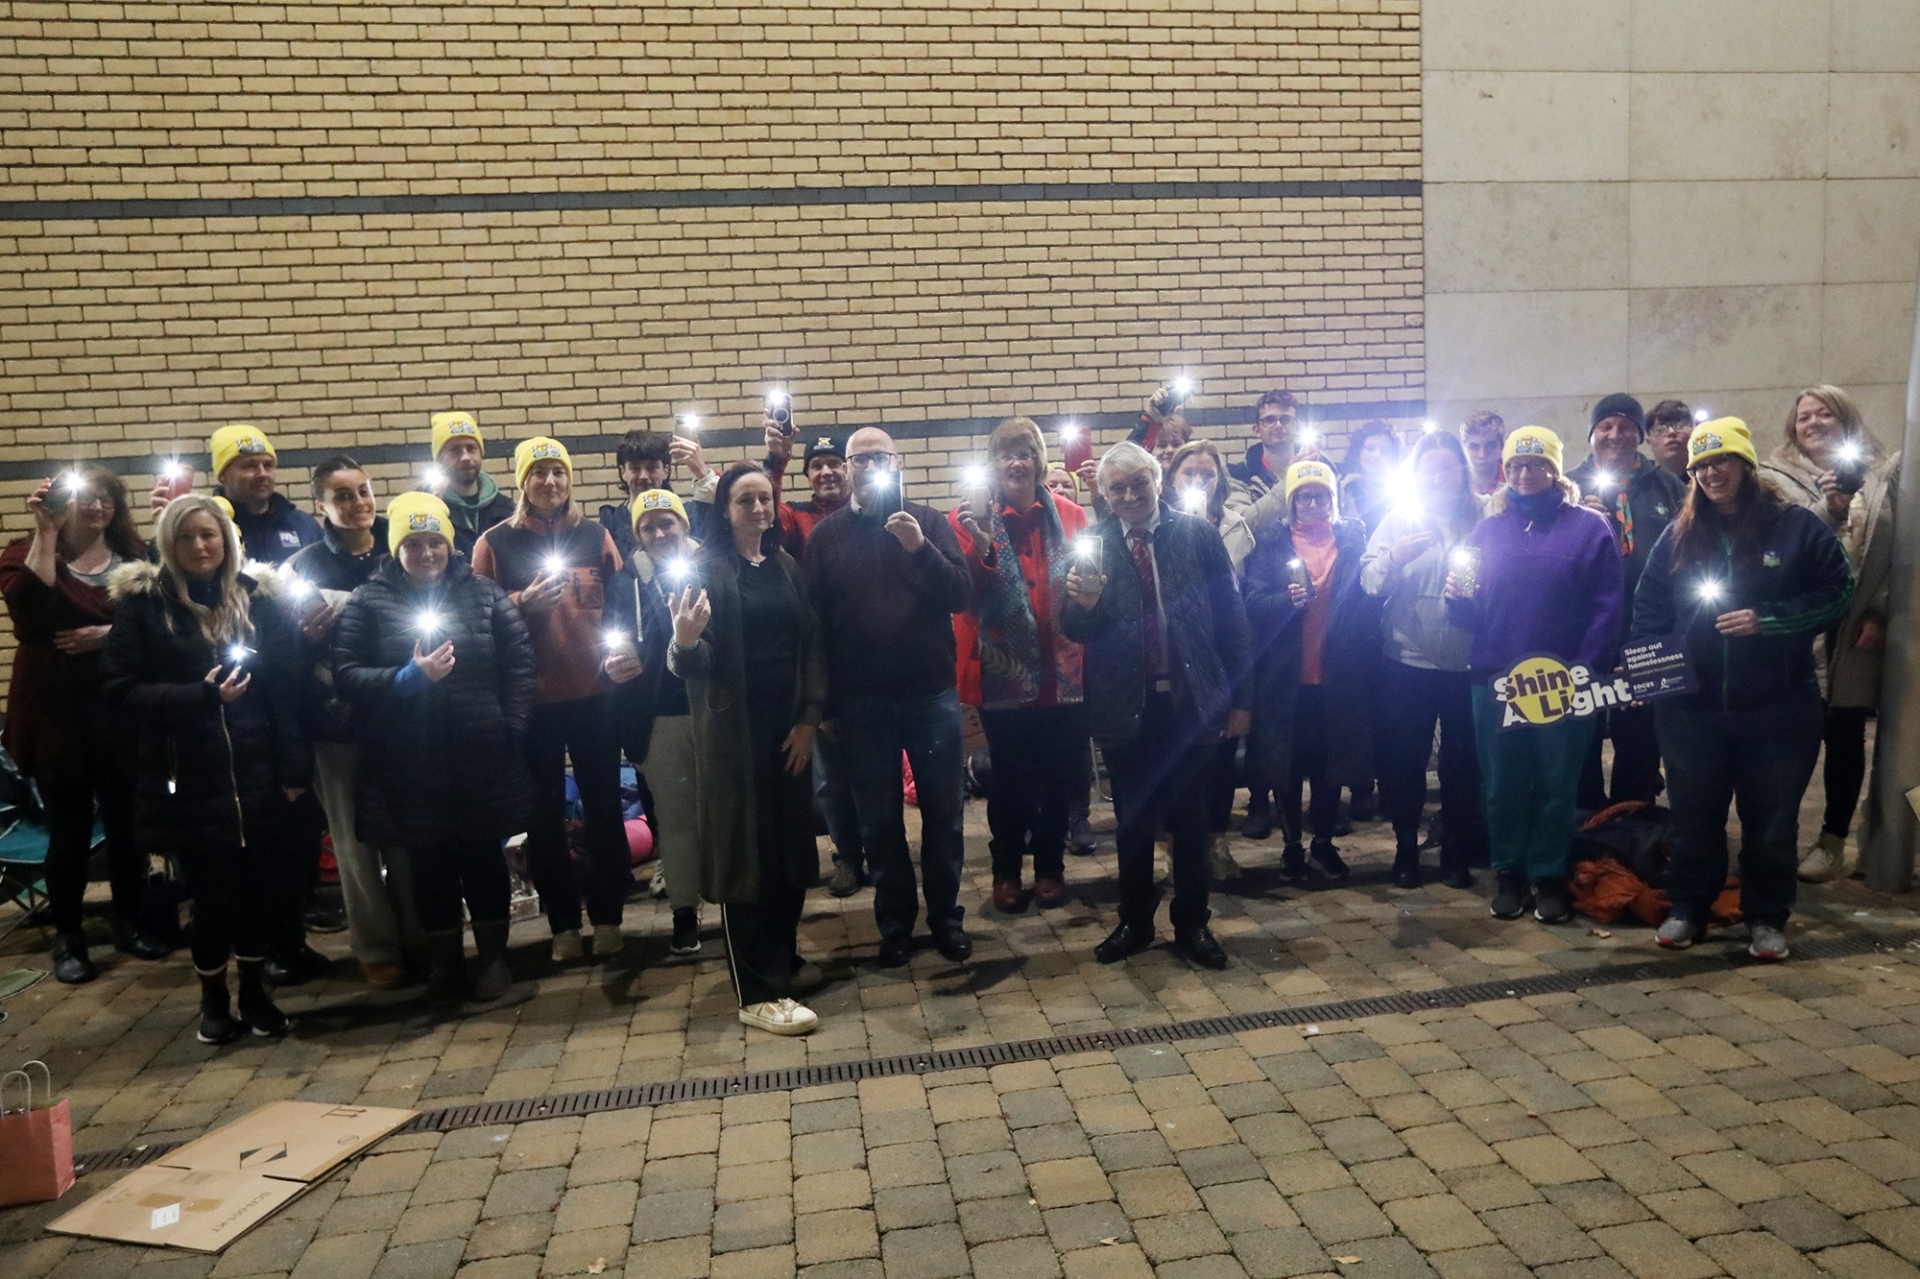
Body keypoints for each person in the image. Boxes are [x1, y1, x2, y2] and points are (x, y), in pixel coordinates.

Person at [1636, 421, 1853, 960]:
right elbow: (1648, 612)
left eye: (1721, 462)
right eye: (1700, 467)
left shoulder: (1796, 528)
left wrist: (1771, 621)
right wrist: (1649, 671)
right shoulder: (1678, 534)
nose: (1711, 474)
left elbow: (1837, 594)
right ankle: (1689, 908)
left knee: (1772, 821)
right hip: (1692, 712)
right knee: (1694, 818)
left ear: (1746, 466)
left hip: (1778, 707)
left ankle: (1766, 916)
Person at [103, 496, 309, 1044]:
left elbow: (288, 689)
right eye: (188, 537)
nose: (200, 547)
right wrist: (200, 696)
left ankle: (256, 993)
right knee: (214, 899)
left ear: (228, 541)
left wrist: (293, 768)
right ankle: (214, 1003)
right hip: (186, 778)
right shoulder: (146, 607)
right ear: (169, 544)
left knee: (260, 893)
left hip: (258, 773)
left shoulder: (259, 600)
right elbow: (121, 691)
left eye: (210, 536)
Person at [333, 493, 536, 1001]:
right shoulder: (368, 601)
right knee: (429, 867)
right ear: (397, 548)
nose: (427, 553)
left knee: (482, 860)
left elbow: (519, 665)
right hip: (408, 763)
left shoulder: (484, 595)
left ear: (450, 544)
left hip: (479, 758)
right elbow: (347, 675)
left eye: (435, 542)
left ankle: (493, 958)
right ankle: (445, 962)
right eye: (414, 544)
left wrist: (508, 725)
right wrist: (406, 680)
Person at [1063, 442, 1252, 970]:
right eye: (1116, 488)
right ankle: (1135, 921)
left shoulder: (1197, 535)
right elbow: (1072, 628)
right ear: (1103, 493)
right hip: (1127, 707)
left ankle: (1193, 923)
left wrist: (1242, 697)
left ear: (1158, 483)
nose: (1128, 496)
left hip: (1190, 702)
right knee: (1132, 822)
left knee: (1190, 822)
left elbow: (1231, 618)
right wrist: (1085, 607)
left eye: (1138, 485)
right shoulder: (1092, 543)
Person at [666, 463, 828, 1034]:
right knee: (746, 858)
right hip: (735, 738)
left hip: (787, 734)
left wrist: (810, 721)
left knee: (786, 853)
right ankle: (756, 991)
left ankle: (781, 962)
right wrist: (683, 642)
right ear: (724, 510)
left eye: (765, 498)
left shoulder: (786, 567)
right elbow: (696, 660)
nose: (758, 509)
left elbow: (811, 647)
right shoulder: (707, 571)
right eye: (744, 501)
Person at [804, 426, 973, 968]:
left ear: (898, 464)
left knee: (944, 815)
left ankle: (947, 919)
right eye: (862, 460)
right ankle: (895, 924)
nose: (871, 467)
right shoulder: (825, 537)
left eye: (882, 459)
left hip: (931, 696)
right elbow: (815, 628)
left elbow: (960, 594)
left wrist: (919, 550)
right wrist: (824, 705)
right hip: (862, 703)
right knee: (879, 822)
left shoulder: (926, 523)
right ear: (847, 468)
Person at [1444, 427, 1624, 924]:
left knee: (1555, 782)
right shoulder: (1486, 532)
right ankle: (1508, 871)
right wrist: (1455, 602)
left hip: (1562, 682)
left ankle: (1547, 873)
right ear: (1506, 471)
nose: (1525, 474)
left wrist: (1586, 670)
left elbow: (1606, 607)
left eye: (1537, 464)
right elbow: (1471, 611)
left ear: (1555, 470)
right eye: (1516, 465)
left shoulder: (1590, 529)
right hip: (1496, 680)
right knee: (1503, 781)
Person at [0, 466, 166, 983]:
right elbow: (30, 606)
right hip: (55, 712)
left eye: (107, 501)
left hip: (118, 708)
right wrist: (46, 534)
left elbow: (161, 625)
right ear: (61, 504)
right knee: (68, 830)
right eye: (86, 500)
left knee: (125, 826)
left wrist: (108, 635)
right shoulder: (21, 554)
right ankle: (69, 937)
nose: (97, 509)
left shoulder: (138, 562)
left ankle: (129, 920)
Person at [473, 437, 631, 962]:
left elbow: (624, 605)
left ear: (569, 480)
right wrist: (520, 603)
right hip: (533, 700)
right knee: (542, 817)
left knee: (606, 810)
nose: (549, 482)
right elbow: (477, 618)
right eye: (537, 473)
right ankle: (563, 926)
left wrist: (625, 650)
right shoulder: (496, 542)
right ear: (522, 482)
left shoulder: (596, 534)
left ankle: (608, 918)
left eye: (557, 472)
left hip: (593, 694)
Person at [284, 456, 418, 990]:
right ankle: (377, 947)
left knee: (409, 834)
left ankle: (421, 935)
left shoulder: (401, 546)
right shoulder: (303, 569)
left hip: (403, 715)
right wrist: (306, 639)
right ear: (321, 506)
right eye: (343, 496)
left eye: (364, 491)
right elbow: (284, 653)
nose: (359, 503)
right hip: (336, 723)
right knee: (353, 841)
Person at [1758, 386, 1899, 882]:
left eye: (1825, 414)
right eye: (1803, 417)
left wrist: (1880, 612)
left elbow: (1899, 549)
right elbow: (1783, 547)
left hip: (1858, 629)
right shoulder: (1771, 479)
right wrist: (1833, 508)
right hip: (1800, 629)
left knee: (1845, 737)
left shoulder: (1886, 473)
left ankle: (1833, 841)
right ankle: (1774, 839)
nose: (1813, 423)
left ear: (1846, 421)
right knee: (1790, 743)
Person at [951, 418, 1089, 914]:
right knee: (1009, 780)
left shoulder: (1071, 516)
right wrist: (982, 543)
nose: (1016, 462)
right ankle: (1007, 869)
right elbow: (961, 596)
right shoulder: (966, 518)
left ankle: (1050, 867)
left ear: (1038, 461)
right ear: (993, 464)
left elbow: (1090, 579)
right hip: (1003, 673)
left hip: (1064, 668)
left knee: (1057, 777)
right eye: (1006, 454)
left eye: (1025, 453)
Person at [1360, 433, 1488, 888]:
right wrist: (1395, 557)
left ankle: (1456, 848)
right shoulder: (1400, 520)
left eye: (1447, 468)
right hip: (1406, 659)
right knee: (1404, 760)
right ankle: (1405, 848)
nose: (1438, 477)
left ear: (1462, 471)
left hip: (1468, 662)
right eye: (1429, 469)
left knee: (1462, 763)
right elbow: (1369, 581)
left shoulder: (1484, 515)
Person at [1244, 462, 1375, 882]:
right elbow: (1253, 604)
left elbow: (1367, 603)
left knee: (1328, 764)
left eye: (1321, 496)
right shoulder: (1271, 543)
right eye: (1305, 496)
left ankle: (1323, 842)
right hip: (1286, 675)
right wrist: (1286, 600)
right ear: (1293, 502)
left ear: (1333, 501)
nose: (1313, 503)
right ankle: (1291, 846)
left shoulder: (1353, 542)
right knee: (1288, 764)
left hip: (1338, 673)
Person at [1566, 393, 1687, 811]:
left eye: (1625, 427)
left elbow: (1687, 551)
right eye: (1605, 426)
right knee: (1581, 729)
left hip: (1652, 630)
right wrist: (1578, 521)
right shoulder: (1568, 486)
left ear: (1639, 434)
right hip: (1584, 632)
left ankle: (1632, 822)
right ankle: (1586, 823)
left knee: (1640, 736)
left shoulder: (1668, 485)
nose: (1615, 435)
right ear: (1592, 433)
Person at [762, 425, 866, 894]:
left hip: (871, 662)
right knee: (832, 777)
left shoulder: (874, 514)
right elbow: (765, 516)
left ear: (849, 468)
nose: (825, 471)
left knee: (875, 770)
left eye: (833, 463)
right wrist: (776, 460)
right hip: (822, 661)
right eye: (816, 466)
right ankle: (848, 857)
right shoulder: (796, 519)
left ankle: (883, 850)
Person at [604, 489, 707, 957]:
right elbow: (614, 638)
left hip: (714, 710)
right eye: (650, 527)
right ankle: (685, 912)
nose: (661, 532)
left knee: (725, 815)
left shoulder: (713, 568)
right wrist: (613, 663)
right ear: (638, 535)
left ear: (684, 525)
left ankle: (734, 905)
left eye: (669, 522)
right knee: (676, 822)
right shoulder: (626, 583)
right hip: (661, 717)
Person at [1166, 440, 1254, 878]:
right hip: (1177, 663)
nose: (1198, 481)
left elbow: (1243, 604)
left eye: (1207, 474)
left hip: (1222, 657)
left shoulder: (1236, 526)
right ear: (1173, 478)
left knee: (1220, 759)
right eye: (1189, 474)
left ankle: (1216, 842)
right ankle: (1176, 847)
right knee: (1177, 760)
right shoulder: (1158, 526)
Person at [172, 425, 322, 564]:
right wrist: (169, 526)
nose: (262, 474)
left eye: (268, 465)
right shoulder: (205, 527)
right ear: (223, 475)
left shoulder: (303, 526)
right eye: (250, 466)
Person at [600, 428, 717, 558]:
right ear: (623, 472)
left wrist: (702, 472)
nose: (643, 476)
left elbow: (722, 514)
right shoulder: (609, 524)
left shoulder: (689, 516)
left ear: (665, 471)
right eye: (635, 468)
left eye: (651, 468)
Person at [1228, 389, 1322, 533]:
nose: (1278, 425)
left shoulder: (1323, 469)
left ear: (1297, 427)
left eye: (1286, 419)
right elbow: (1241, 525)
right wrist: (1289, 482)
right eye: (1269, 420)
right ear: (1257, 430)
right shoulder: (1238, 475)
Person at [426, 412, 516, 558]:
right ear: (439, 458)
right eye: (454, 450)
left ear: (481, 453)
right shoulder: (422, 510)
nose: (465, 457)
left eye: (471, 448)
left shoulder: (507, 510)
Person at [1338, 421, 1403, 536]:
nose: (1377, 455)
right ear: (1358, 452)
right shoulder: (1343, 488)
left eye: (1385, 451)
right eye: (1370, 449)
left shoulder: (1402, 492)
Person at [1460, 411, 1507, 497]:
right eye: (1474, 447)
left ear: (1502, 447)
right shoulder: (1455, 484)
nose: (1482, 454)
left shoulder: (1515, 483)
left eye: (1490, 446)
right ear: (1463, 449)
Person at [1646, 400, 1696, 478]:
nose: (1671, 432)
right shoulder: (1639, 481)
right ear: (1648, 439)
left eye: (1680, 425)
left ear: (1693, 431)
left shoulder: (1709, 476)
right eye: (1661, 428)